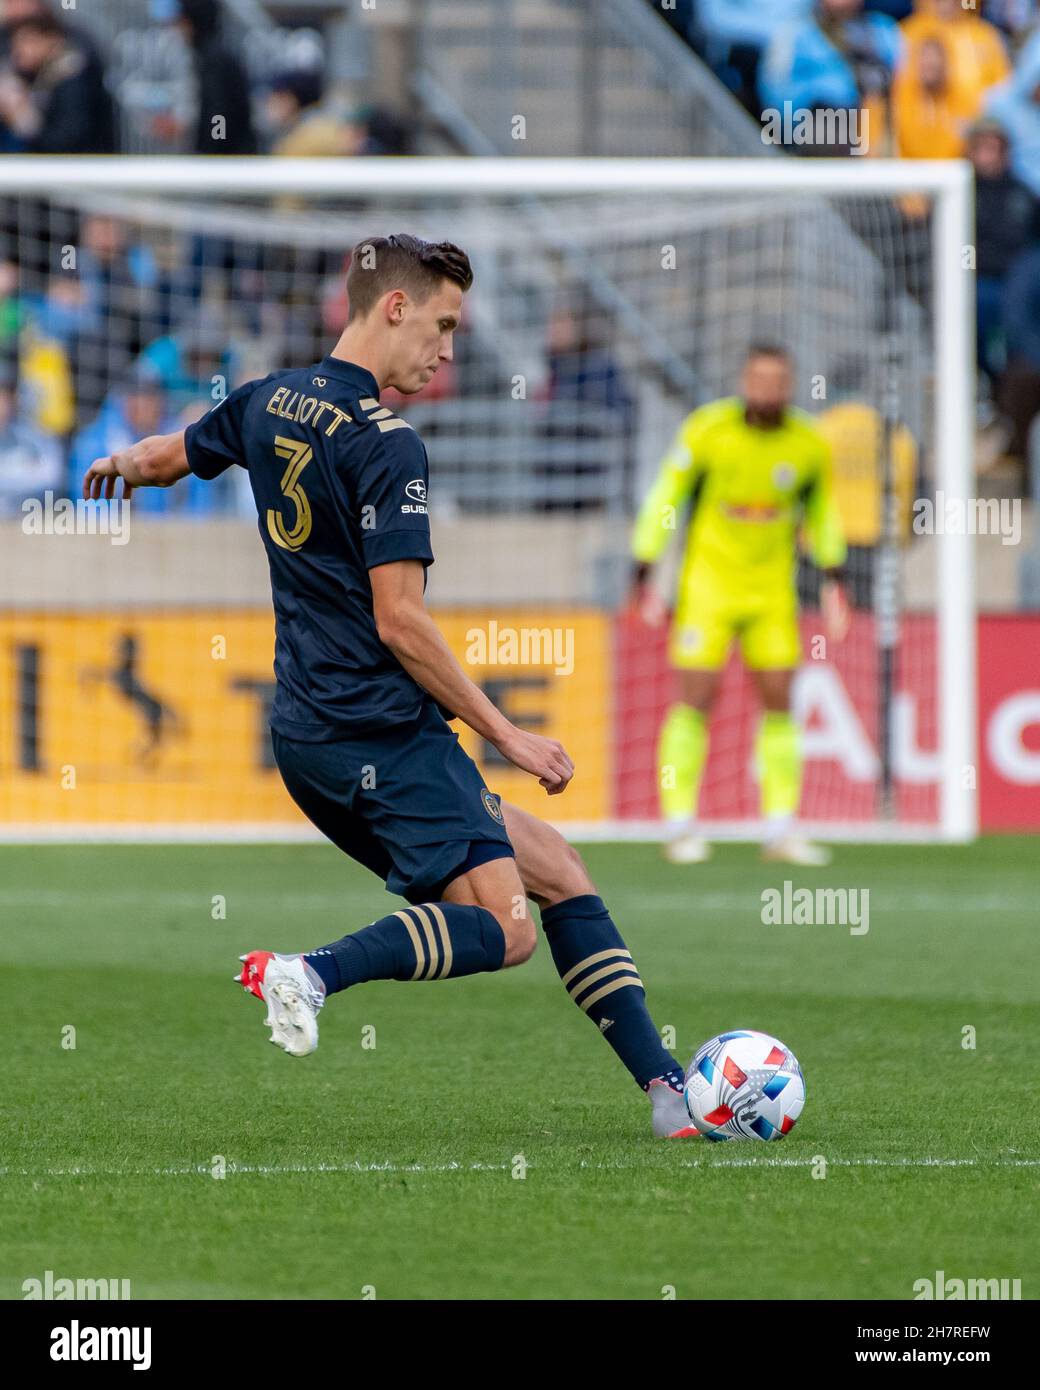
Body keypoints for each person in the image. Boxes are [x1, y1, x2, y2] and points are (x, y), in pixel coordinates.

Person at [82, 233, 697, 1140]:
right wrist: (508, 737)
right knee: (508, 928)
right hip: (379, 733)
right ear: (393, 307)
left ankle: (669, 1094)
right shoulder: (386, 445)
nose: (447, 351)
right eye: (442, 326)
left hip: (308, 736)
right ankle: (313, 974)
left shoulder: (264, 399)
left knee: (558, 871)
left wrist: (118, 463)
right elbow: (400, 620)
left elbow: (174, 452)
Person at [629, 344, 849, 868]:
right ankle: (679, 825)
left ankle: (780, 829)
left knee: (780, 702)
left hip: (772, 595)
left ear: (789, 386)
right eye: (758, 379)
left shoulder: (808, 445)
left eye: (777, 381)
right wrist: (643, 566)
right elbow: (667, 498)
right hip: (708, 591)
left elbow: (821, 513)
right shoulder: (709, 431)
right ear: (743, 381)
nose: (767, 390)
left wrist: (834, 576)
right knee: (695, 700)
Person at [0, 10, 115, 153]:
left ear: (52, 40)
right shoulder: (27, 76)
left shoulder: (73, 78)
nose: (19, 50)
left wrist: (24, 119)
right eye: (16, 42)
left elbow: (67, 140)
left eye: (27, 41)